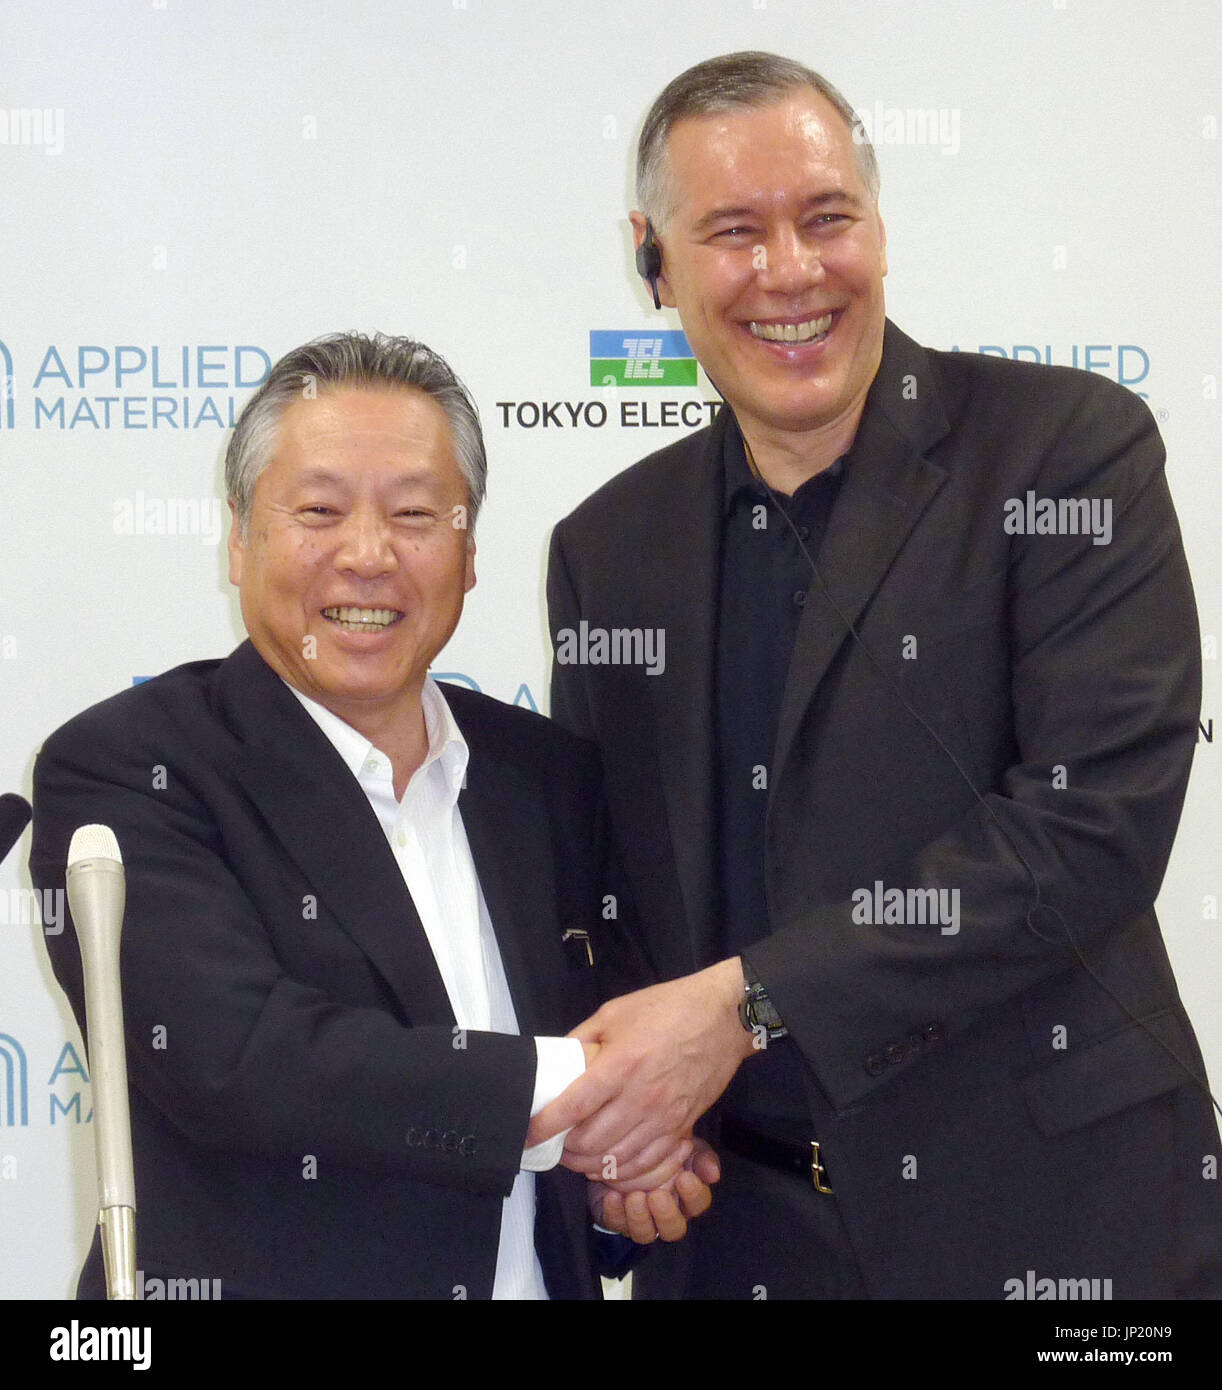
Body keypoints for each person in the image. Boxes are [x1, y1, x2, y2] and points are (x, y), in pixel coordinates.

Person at [536, 52, 1222, 1298]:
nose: (789, 271)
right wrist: (632, 1130)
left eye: (825, 218)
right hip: (738, 1236)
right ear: (652, 258)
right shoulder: (608, 550)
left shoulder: (1066, 454)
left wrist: (745, 1005)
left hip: (1061, 1223)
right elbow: (610, 889)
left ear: (879, 230)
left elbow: (1090, 831)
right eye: (732, 231)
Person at [31, 331, 710, 1301]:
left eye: (414, 514)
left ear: (468, 552)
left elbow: (617, 1067)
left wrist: (623, 1183)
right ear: (239, 537)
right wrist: (595, 1090)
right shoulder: (129, 768)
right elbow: (238, 1059)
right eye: (317, 511)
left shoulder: (549, 780)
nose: (367, 555)